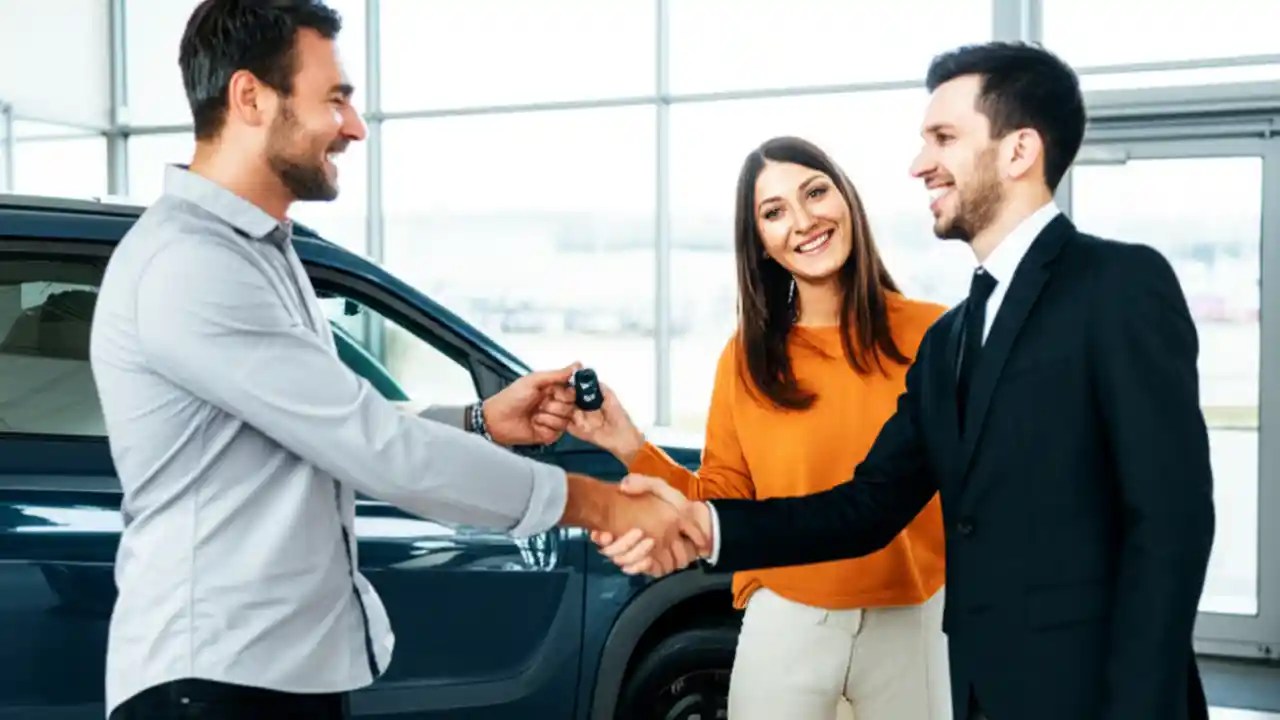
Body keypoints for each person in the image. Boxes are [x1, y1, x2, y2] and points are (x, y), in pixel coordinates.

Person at [88, 2, 699, 718]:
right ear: (250, 97)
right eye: (336, 99)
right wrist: (595, 502)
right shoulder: (191, 266)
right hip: (215, 683)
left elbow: (324, 422)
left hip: (269, 673)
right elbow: (375, 447)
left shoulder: (254, 252)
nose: (354, 127)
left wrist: (479, 421)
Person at [599, 41, 1215, 720]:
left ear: (1018, 152)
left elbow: (1171, 525)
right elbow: (867, 507)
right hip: (982, 689)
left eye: (943, 138)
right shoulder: (953, 340)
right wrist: (703, 522)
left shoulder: (1118, 285)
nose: (919, 164)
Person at [572, 136, 951, 720]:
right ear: (763, 246)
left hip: (913, 625)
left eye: (815, 192)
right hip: (786, 625)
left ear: (846, 199)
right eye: (774, 213)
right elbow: (724, 498)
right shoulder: (747, 359)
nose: (803, 221)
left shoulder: (936, 336)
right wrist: (628, 445)